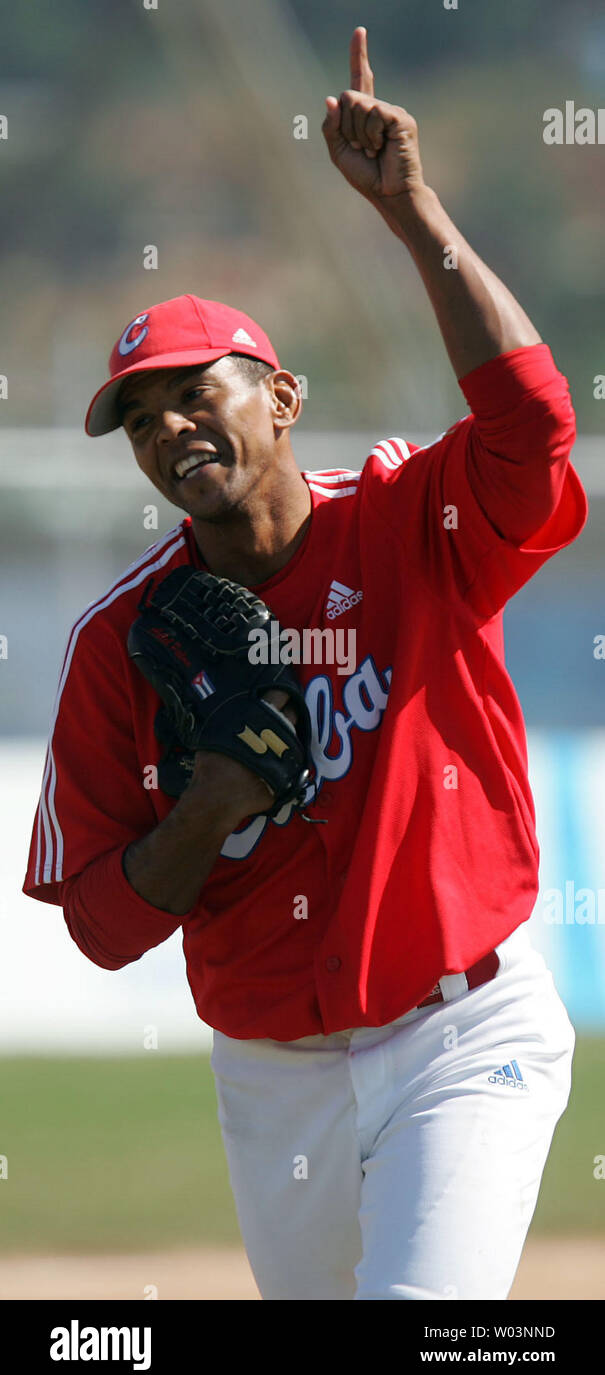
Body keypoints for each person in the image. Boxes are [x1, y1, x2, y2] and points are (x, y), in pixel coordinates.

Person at [23, 27, 588, 1299]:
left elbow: (535, 426)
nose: (169, 425)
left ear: (278, 396)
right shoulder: (123, 642)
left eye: (192, 390)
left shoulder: (409, 519)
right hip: (272, 1078)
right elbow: (102, 922)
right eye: (140, 417)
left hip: (462, 1032)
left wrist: (410, 212)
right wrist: (209, 808)